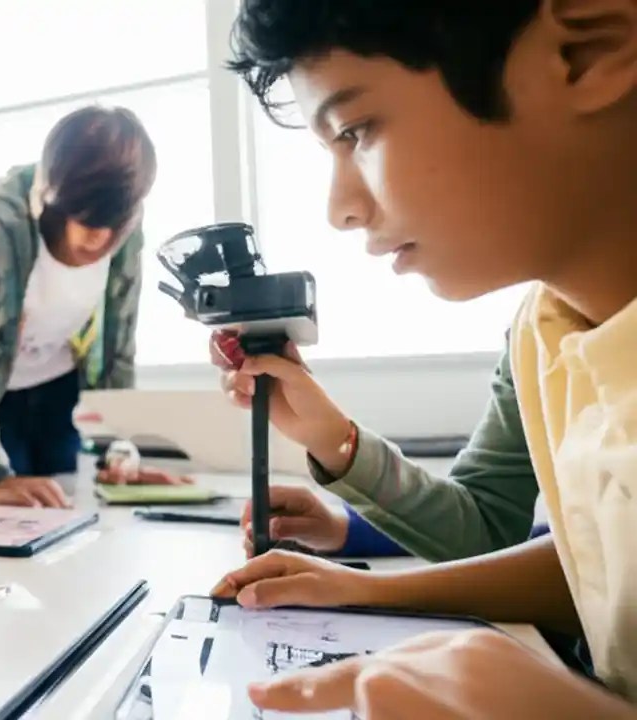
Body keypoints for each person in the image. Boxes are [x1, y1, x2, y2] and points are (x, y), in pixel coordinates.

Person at [212, 0, 637, 716]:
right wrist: (364, 585)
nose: (340, 209)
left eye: (356, 130)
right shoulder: (544, 327)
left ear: (586, 52)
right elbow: (591, 560)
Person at [0, 106, 186, 508]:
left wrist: (121, 454)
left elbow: (118, 350)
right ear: (53, 196)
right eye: (86, 220)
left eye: (113, 224)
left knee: (61, 505)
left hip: (61, 391)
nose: (99, 239)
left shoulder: (128, 233)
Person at [211, 331, 544, 561]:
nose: (340, 222)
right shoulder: (531, 340)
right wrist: (345, 528)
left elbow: (584, 564)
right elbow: (488, 531)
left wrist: (367, 590)